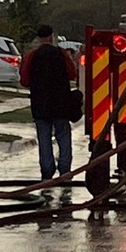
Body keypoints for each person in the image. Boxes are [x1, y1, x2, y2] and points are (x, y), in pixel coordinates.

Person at [26, 24, 76, 180]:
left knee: (44, 138)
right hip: (61, 104)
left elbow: (24, 79)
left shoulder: (32, 56)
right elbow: (72, 73)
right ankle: (65, 169)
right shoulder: (61, 54)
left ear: (39, 38)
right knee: (63, 135)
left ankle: (47, 170)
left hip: (40, 104)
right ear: (52, 36)